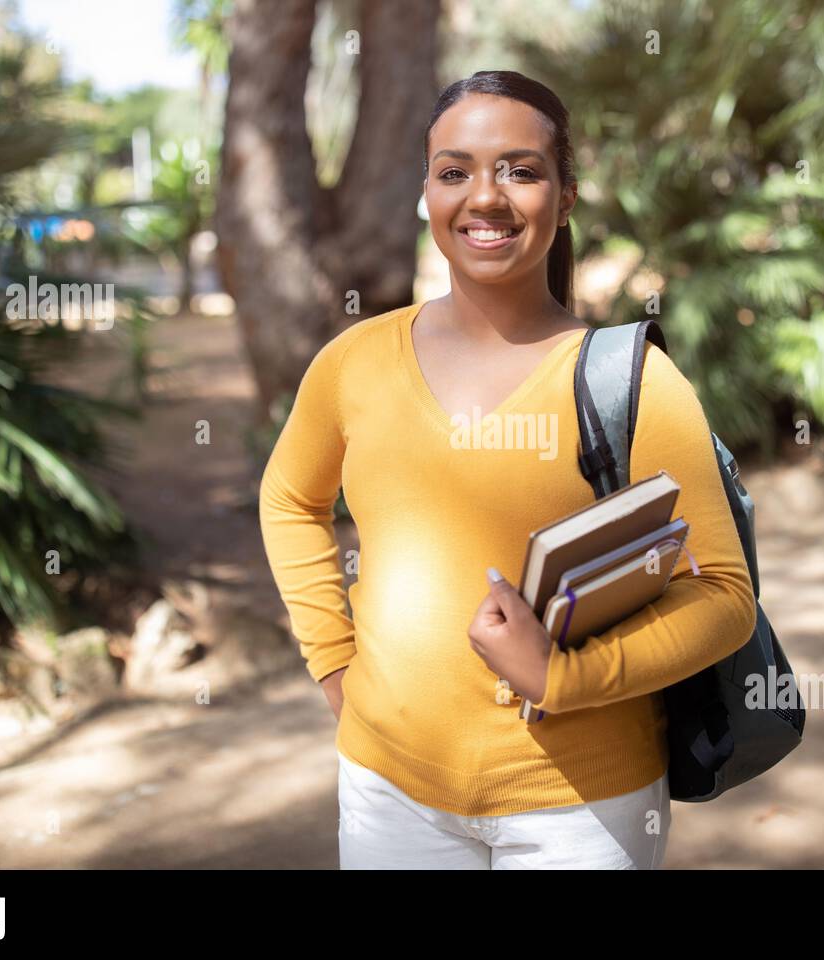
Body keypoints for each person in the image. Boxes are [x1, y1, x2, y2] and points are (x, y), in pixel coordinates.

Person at [259, 70, 756, 869]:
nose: (484, 197)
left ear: (564, 197)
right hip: (388, 792)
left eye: (521, 171)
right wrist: (334, 666)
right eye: (454, 172)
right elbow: (288, 499)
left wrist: (568, 677)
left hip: (583, 811)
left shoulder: (631, 380)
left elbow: (725, 597)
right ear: (426, 192)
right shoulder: (352, 363)